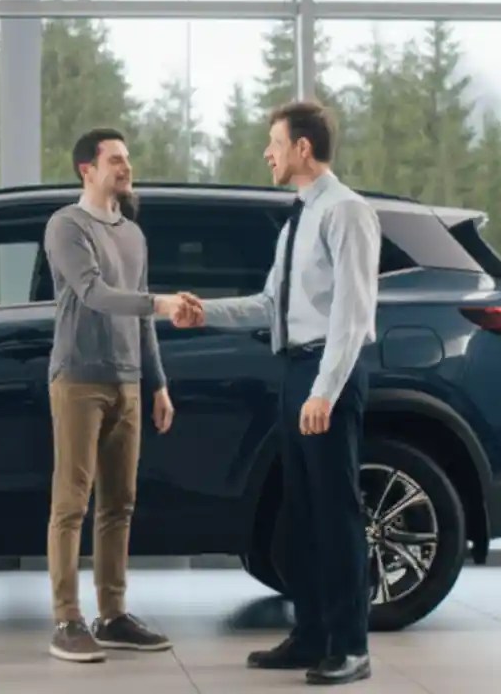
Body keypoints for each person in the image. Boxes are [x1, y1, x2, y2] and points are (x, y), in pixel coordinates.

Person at [173, 101, 379, 686]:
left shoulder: (346, 212)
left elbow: (351, 312)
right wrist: (202, 313)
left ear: (303, 149)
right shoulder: (298, 219)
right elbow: (270, 306)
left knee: (336, 513)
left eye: (274, 141)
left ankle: (351, 645)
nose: (268, 152)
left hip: (325, 375)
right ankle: (312, 633)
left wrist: (325, 390)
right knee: (300, 513)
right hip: (294, 372)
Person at [42, 127, 200, 663]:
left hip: (129, 381)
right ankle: (67, 619)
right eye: (115, 159)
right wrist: (160, 303)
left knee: (120, 503)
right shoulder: (66, 226)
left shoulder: (134, 234)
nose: (125, 167)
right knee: (72, 502)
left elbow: (141, 318)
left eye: (127, 158)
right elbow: (97, 293)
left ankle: (112, 615)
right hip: (79, 378)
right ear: (87, 168)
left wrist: (158, 383)